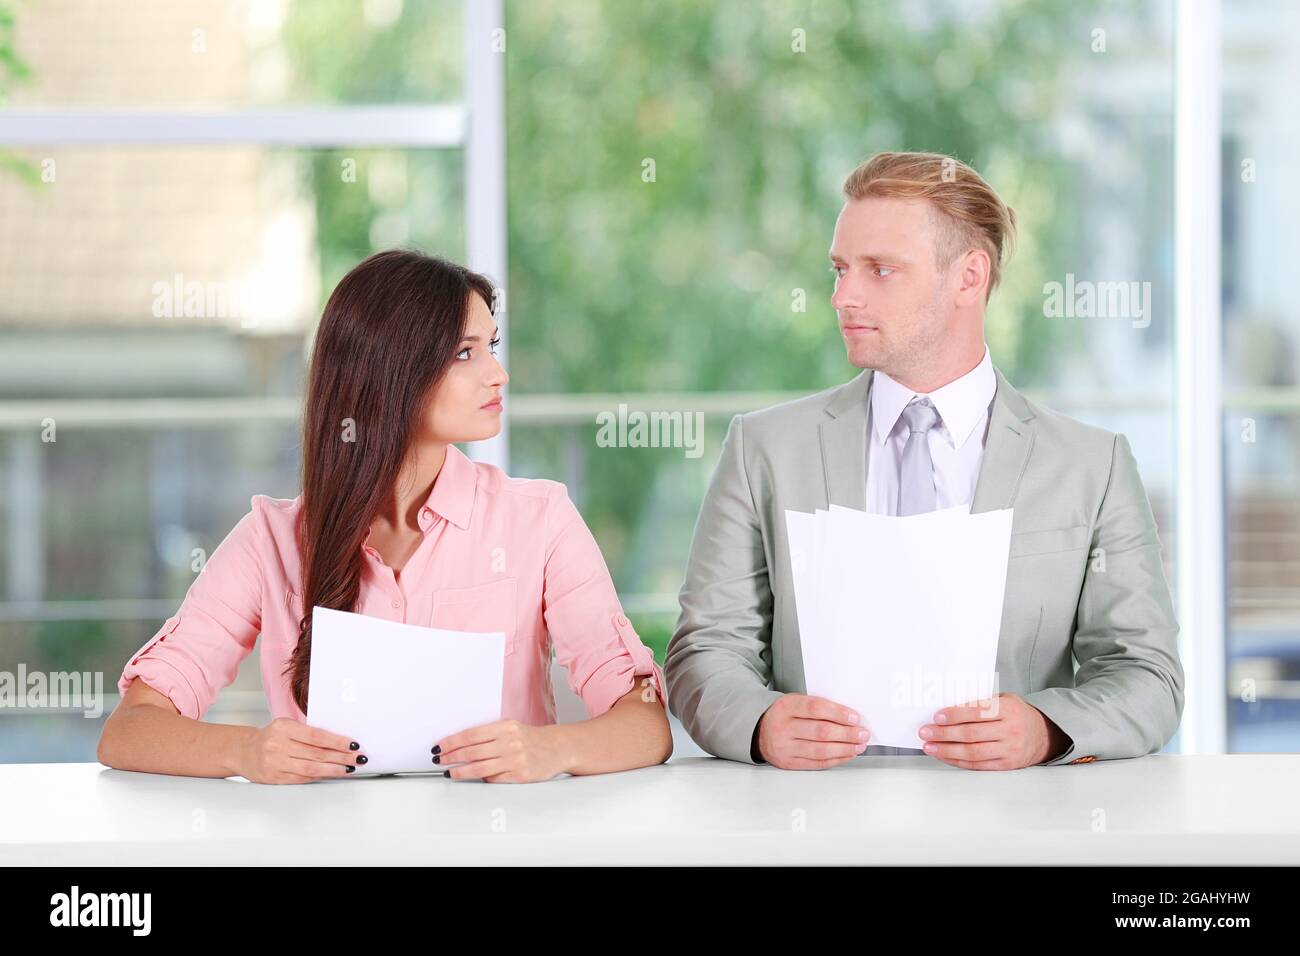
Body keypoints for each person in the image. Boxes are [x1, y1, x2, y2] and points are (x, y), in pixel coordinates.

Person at [666, 151, 1184, 771]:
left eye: (880, 270)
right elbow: (705, 649)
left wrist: (1048, 729)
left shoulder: (1091, 467)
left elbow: (1148, 675)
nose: (842, 297)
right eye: (839, 269)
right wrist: (760, 724)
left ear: (968, 277)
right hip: (812, 822)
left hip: (1012, 827)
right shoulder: (763, 449)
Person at [98, 249, 672, 784]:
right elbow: (129, 730)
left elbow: (644, 722)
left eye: (491, 346)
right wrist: (245, 752)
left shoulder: (540, 520)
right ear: (389, 371)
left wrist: (553, 750)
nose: (498, 374)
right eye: (464, 353)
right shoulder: (269, 541)